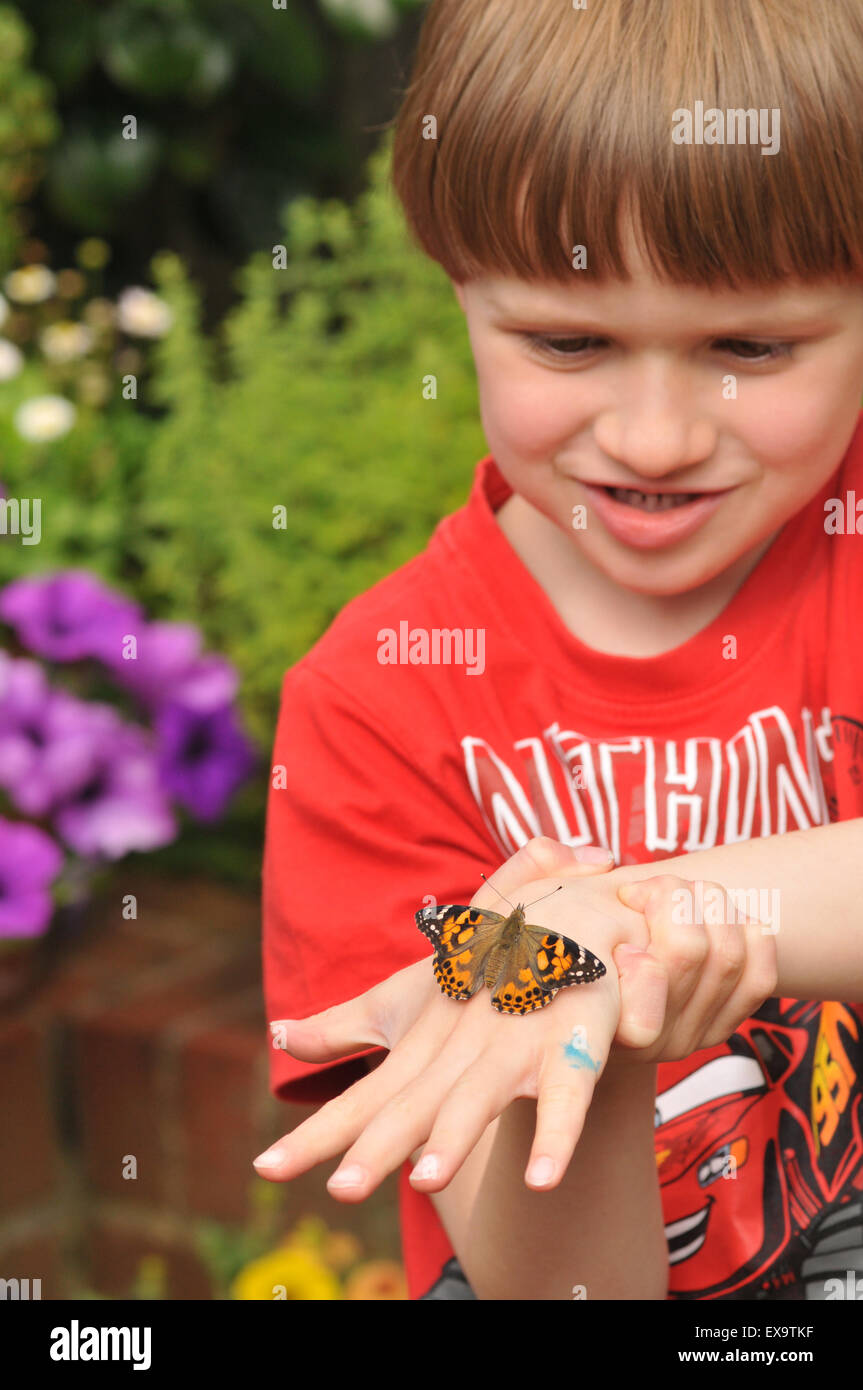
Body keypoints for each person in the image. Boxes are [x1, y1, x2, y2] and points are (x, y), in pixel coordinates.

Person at [255, 0, 863, 1300]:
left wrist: (632, 911)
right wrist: (579, 1026)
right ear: (454, 281)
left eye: (751, 346)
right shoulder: (375, 706)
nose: (654, 438)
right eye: (569, 341)